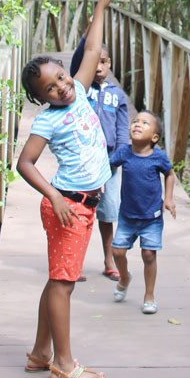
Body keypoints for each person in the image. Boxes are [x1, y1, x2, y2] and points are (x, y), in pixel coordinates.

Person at [17, 0, 117, 378]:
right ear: (41, 98)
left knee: (58, 278)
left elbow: (92, 49)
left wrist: (100, 7)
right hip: (68, 206)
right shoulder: (48, 120)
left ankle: (41, 354)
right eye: (51, 88)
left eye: (61, 77)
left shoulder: (82, 89)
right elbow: (24, 163)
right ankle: (64, 363)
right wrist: (54, 195)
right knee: (63, 283)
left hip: (85, 205)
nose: (61, 87)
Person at [70, 33, 129, 281]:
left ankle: (109, 260)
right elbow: (76, 62)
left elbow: (123, 131)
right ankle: (74, 263)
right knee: (81, 213)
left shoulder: (118, 96)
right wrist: (89, 32)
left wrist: (116, 161)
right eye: (94, 63)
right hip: (84, 165)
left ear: (110, 63)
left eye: (103, 62)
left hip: (109, 165)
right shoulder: (80, 91)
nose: (99, 68)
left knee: (108, 213)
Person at [110, 110, 176, 315]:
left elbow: (170, 174)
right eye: (135, 121)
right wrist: (99, 184)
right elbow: (108, 167)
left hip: (151, 217)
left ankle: (149, 295)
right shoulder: (124, 153)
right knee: (117, 252)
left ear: (155, 137)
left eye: (145, 123)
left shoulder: (158, 156)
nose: (137, 124)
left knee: (149, 255)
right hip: (127, 215)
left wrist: (169, 198)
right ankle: (124, 277)